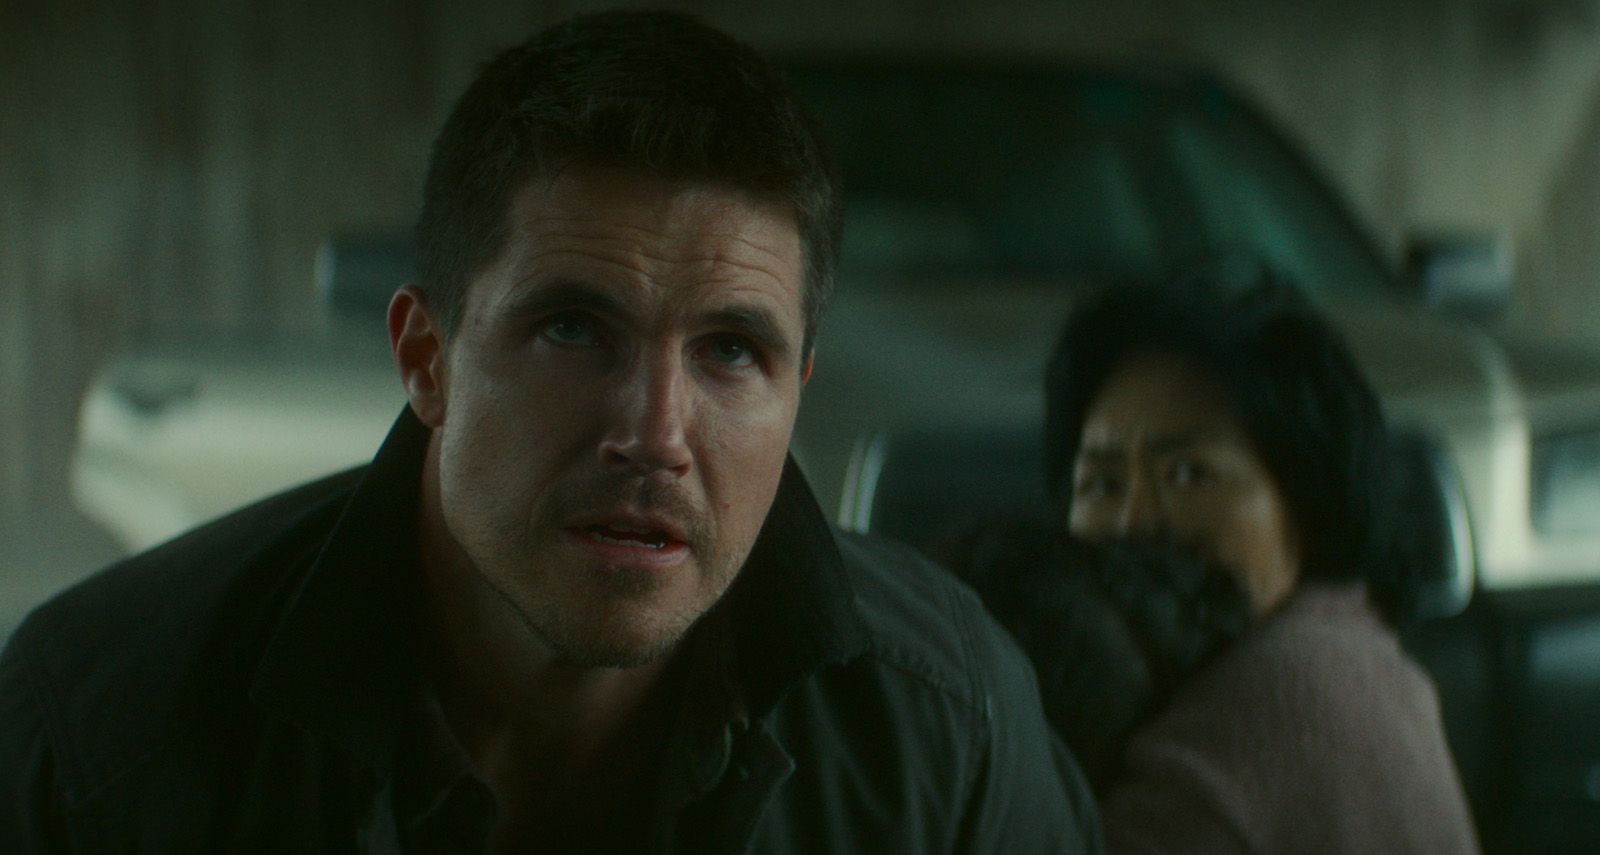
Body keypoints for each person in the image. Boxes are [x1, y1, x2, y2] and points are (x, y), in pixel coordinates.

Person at [0, 12, 1097, 852]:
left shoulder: (942, 727)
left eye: (729, 350)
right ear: (426, 357)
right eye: (573, 329)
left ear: (798, 387)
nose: (655, 434)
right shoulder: (102, 737)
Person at [963, 278, 1478, 853]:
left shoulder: (1267, 700)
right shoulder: (1358, 651)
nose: (1133, 522)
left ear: (1306, 504)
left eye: (1188, 475)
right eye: (1102, 484)